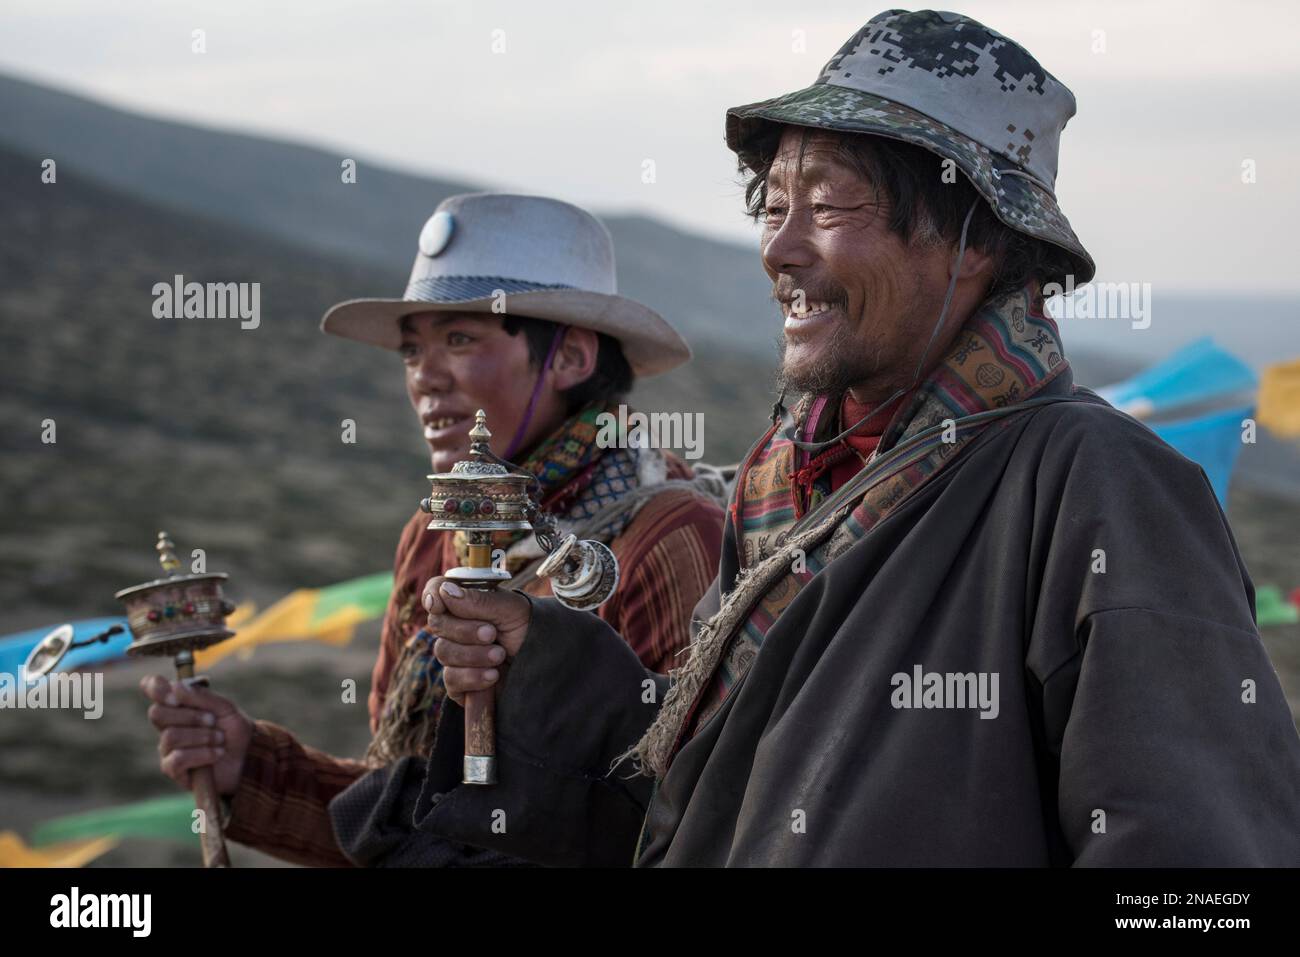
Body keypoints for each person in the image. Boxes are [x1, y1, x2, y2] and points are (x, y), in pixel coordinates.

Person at [411, 12, 1300, 866]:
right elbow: (714, 819)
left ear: (974, 237)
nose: (780, 249)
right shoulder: (781, 483)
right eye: (773, 204)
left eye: (830, 203)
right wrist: (547, 663)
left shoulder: (1098, 485)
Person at [139, 193, 726, 866]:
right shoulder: (433, 533)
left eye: (459, 339)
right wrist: (251, 765)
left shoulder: (669, 537)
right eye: (412, 348)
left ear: (571, 358)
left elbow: (677, 816)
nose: (424, 376)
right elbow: (404, 812)